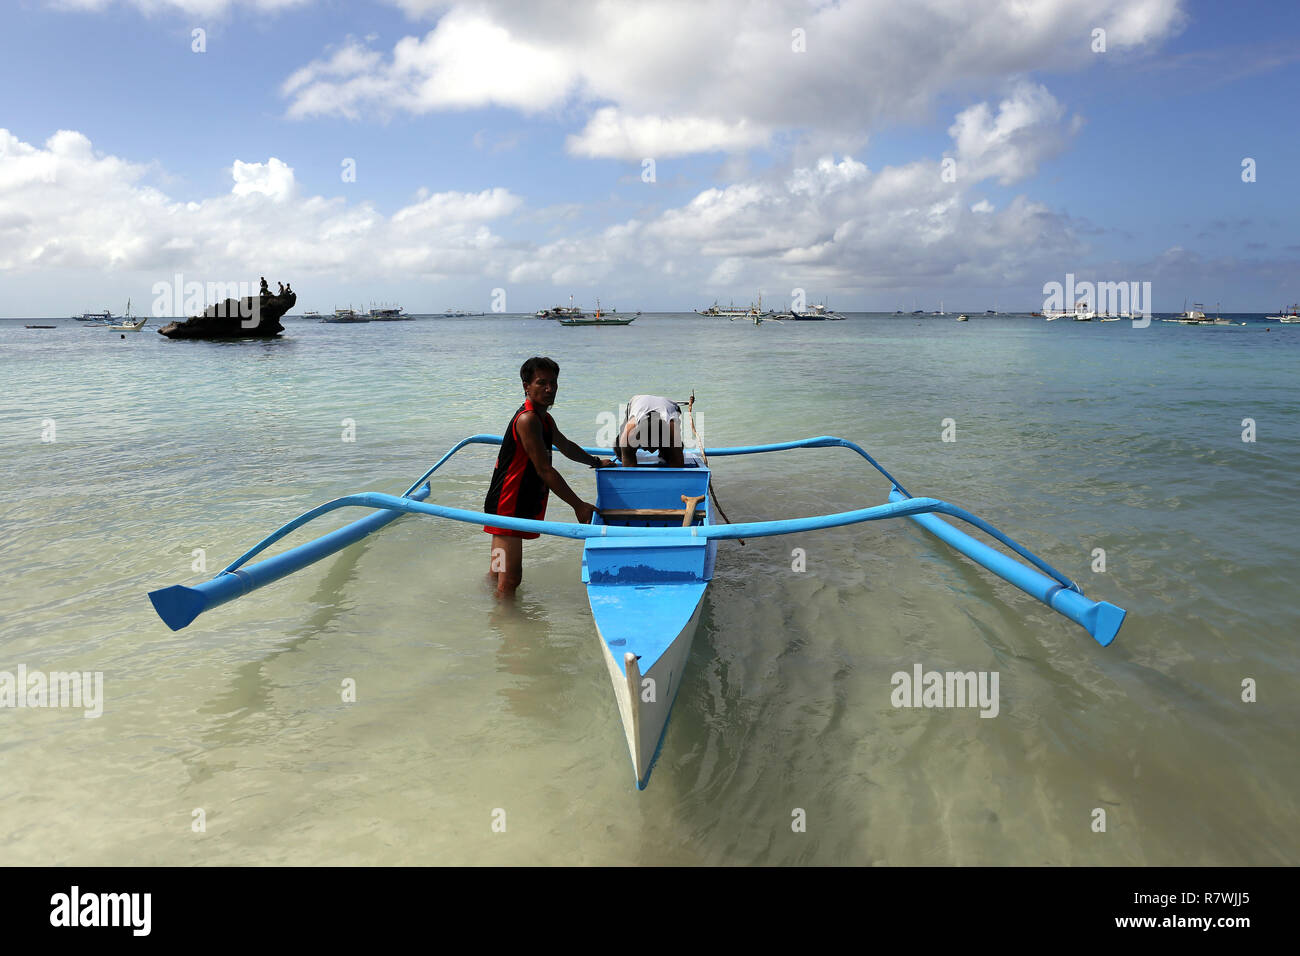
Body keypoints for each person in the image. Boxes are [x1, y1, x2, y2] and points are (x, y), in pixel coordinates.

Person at [484, 357, 613, 596]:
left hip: (509, 501)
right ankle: (502, 617)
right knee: (510, 580)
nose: (549, 389)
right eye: (541, 383)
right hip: (507, 504)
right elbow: (544, 470)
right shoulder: (528, 419)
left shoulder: (543, 418)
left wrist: (595, 462)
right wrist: (578, 505)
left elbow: (566, 446)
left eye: (553, 383)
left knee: (497, 570)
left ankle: (489, 609)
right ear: (526, 386)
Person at [614, 394, 685, 467]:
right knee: (620, 453)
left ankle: (663, 450)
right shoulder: (628, 437)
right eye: (646, 446)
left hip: (669, 406)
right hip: (637, 402)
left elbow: (677, 465)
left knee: (669, 454)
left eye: (655, 446)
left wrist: (673, 452)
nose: (651, 451)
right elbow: (629, 468)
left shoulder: (673, 433)